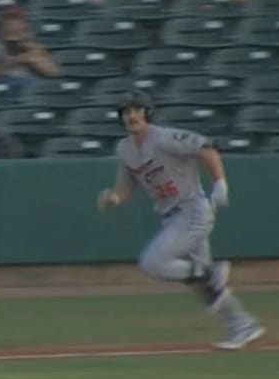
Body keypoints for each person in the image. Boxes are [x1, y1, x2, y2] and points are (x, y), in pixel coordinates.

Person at [96, 92, 263, 350]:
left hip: (192, 211)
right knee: (203, 287)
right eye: (126, 112)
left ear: (147, 113)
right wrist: (115, 198)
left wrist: (220, 183)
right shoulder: (125, 148)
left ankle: (209, 273)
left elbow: (205, 148)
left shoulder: (163, 138)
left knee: (152, 262)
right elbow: (127, 182)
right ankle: (243, 325)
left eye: (136, 110)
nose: (131, 115)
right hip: (171, 217)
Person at [0, 6, 58, 79]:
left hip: (32, 85)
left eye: (18, 20)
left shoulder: (34, 46)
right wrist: (17, 60)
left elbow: (54, 72)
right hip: (8, 85)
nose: (14, 24)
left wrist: (35, 55)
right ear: (3, 24)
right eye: (9, 20)